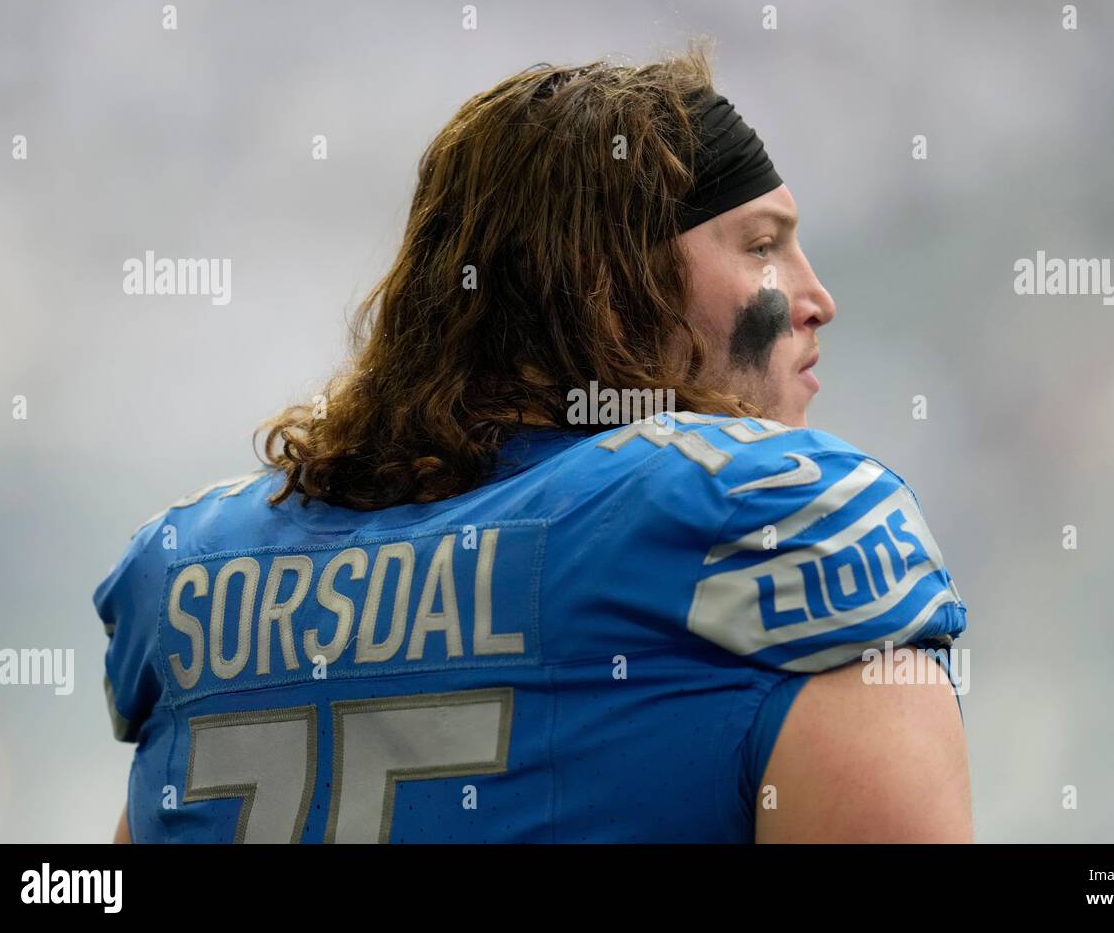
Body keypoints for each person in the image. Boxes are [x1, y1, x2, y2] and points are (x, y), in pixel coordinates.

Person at [96, 44, 971, 843]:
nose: (816, 296)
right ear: (608, 284)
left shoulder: (189, 574)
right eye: (762, 246)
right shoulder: (775, 520)